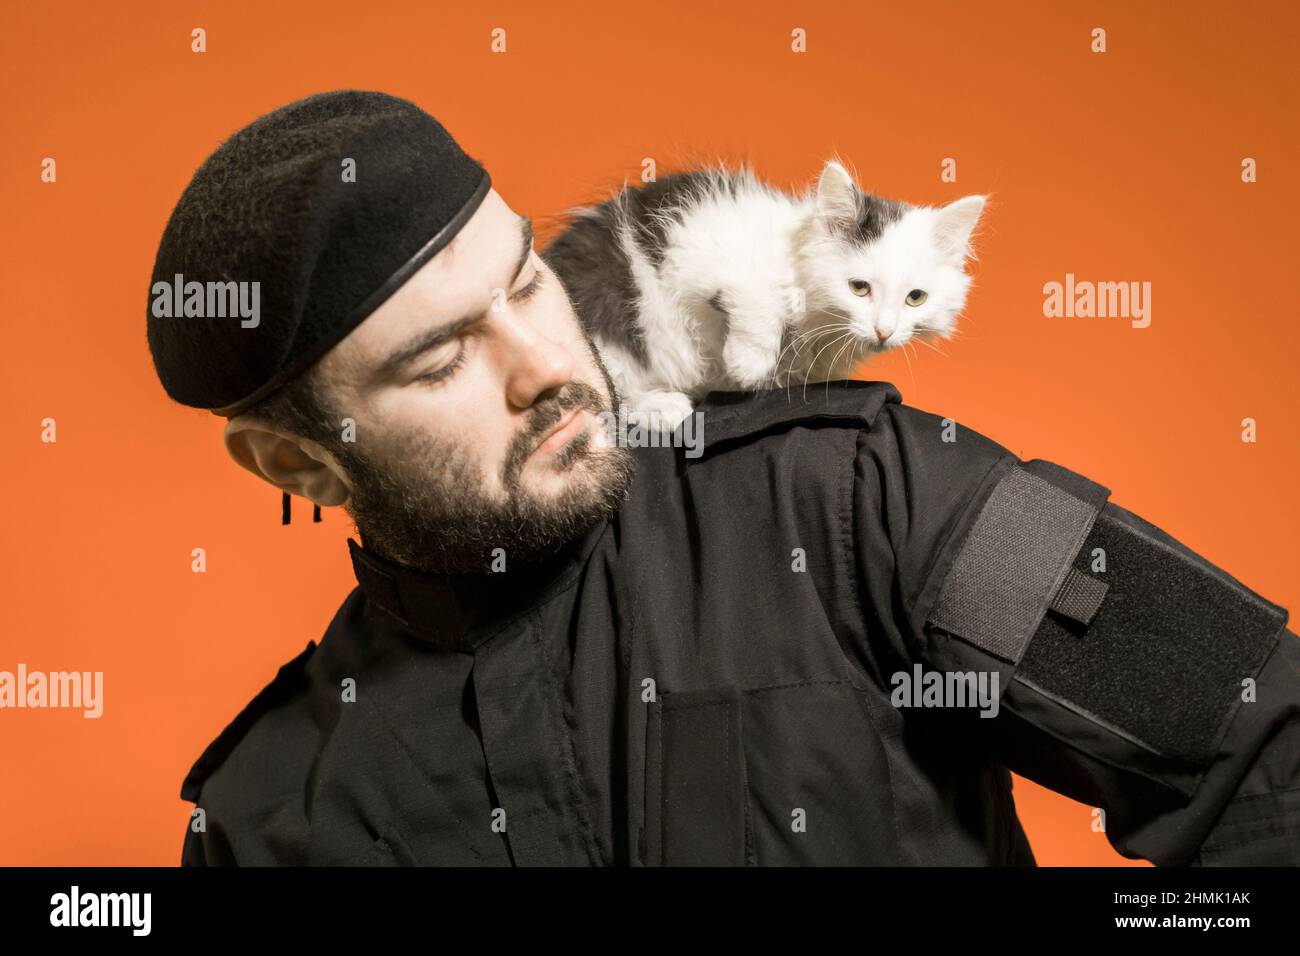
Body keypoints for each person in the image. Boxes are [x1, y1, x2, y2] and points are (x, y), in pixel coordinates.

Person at [149, 90, 1299, 866]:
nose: (550, 364)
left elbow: (1267, 736)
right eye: (445, 356)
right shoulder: (264, 820)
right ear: (295, 460)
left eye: (527, 280)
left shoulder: (868, 493)